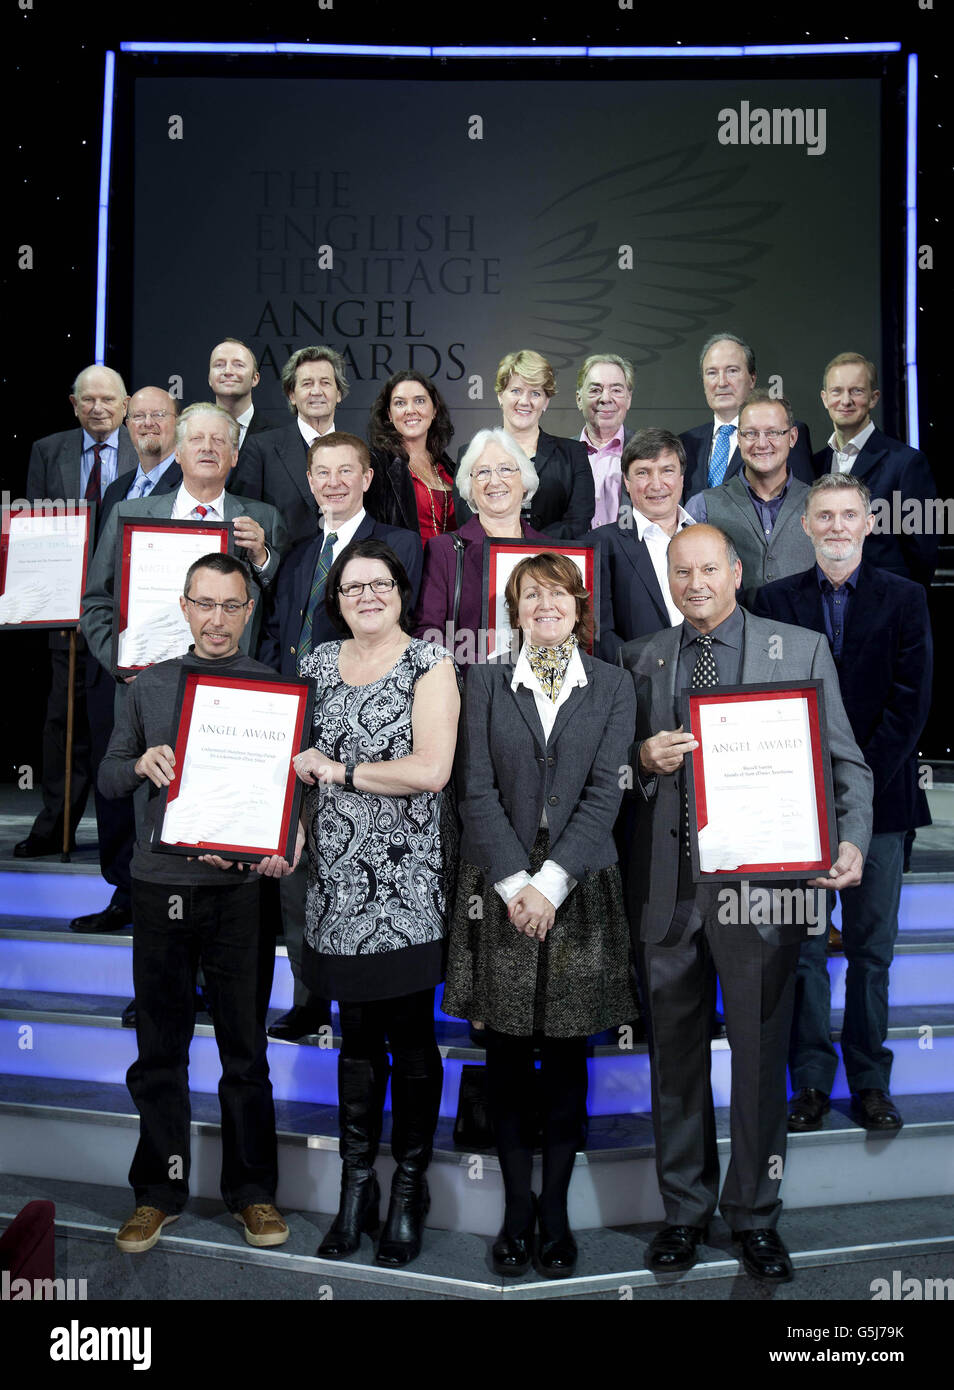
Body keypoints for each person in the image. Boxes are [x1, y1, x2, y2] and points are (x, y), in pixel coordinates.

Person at [619, 524, 872, 1282]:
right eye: (681, 570)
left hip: (764, 898)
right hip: (670, 894)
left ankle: (755, 1216)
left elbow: (847, 764)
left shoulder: (796, 649)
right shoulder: (643, 658)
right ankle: (684, 1213)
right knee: (674, 1066)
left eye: (709, 568)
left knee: (763, 1064)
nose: (695, 582)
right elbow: (613, 776)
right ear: (670, 578)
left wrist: (851, 840)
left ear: (737, 571)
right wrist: (640, 758)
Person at [266, 539, 460, 1267]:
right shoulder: (314, 665)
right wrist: (283, 833)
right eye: (353, 588)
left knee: (410, 1044)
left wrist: (341, 771)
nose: (367, 596)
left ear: (401, 592)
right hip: (336, 889)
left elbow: (432, 771)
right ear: (337, 600)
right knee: (355, 1047)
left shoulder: (431, 664)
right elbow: (294, 771)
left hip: (407, 888)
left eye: (379, 584)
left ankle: (408, 1188)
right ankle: (357, 1189)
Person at [443, 553, 637, 1279]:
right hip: (498, 890)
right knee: (504, 1061)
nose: (545, 605)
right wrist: (516, 882)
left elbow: (604, 795)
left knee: (563, 1061)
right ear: (514, 609)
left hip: (580, 892)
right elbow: (475, 791)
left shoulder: (613, 685)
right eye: (531, 595)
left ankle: (554, 1212)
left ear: (578, 606)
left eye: (558, 594)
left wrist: (550, 886)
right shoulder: (485, 679)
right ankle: (514, 1211)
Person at [101, 553, 288, 1254]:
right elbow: (112, 774)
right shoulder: (147, 686)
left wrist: (277, 840)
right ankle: (158, 1193)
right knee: (160, 1050)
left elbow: (285, 795)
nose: (216, 619)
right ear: (184, 607)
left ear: (247, 611)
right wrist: (141, 763)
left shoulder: (273, 689)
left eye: (231, 606)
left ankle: (253, 1194)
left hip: (239, 894)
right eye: (204, 604)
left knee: (246, 1051)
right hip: (159, 888)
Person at [753, 474, 933, 1133]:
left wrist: (851, 784)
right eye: (823, 515)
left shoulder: (905, 599)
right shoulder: (770, 600)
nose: (834, 526)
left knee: (870, 950)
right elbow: (765, 698)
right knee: (801, 948)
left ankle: (869, 1082)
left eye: (847, 515)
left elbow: (910, 705)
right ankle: (807, 1081)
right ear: (806, 524)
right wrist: (811, 786)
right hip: (793, 805)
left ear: (867, 523)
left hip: (883, 806)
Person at [257, 432, 424, 1043]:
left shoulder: (401, 544)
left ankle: (366, 988)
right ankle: (309, 996)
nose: (332, 482)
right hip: (294, 716)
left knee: (360, 861)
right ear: (309, 480)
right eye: (321, 472)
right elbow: (279, 634)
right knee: (298, 858)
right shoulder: (299, 552)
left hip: (368, 723)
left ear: (366, 479)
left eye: (344, 471)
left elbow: (412, 626)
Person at [70, 389, 181, 936]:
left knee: (159, 783)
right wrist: (114, 654)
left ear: (176, 423)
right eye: (138, 417)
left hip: (174, 673)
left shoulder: (191, 493)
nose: (147, 424)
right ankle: (122, 892)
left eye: (159, 415)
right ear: (125, 425)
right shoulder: (118, 489)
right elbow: (99, 592)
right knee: (116, 779)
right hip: (118, 670)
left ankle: (154, 904)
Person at [15, 365, 136, 859]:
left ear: (125, 405)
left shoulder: (145, 448)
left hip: (125, 614)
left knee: (120, 724)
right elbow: (33, 531)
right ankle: (56, 826)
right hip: (64, 613)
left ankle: (127, 838)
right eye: (87, 400)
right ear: (73, 404)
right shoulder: (49, 451)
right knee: (63, 724)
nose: (97, 408)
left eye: (108, 399)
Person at [82, 402, 287, 671]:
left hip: (231, 683)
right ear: (177, 452)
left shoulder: (264, 519)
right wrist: (121, 660)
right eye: (196, 439)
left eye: (218, 440)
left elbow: (283, 610)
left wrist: (262, 556)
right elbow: (96, 603)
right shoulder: (128, 514)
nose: (207, 448)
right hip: (145, 680)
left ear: (234, 455)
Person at [414, 428, 548, 667]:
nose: (495, 481)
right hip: (471, 688)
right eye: (483, 472)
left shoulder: (550, 553)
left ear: (524, 480)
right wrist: (485, 668)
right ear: (470, 488)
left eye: (506, 469)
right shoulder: (444, 551)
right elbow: (427, 634)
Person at [812, 351, 938, 587]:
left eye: (856, 391)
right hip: (823, 608)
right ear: (825, 398)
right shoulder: (813, 465)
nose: (846, 400)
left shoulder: (907, 463)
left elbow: (923, 556)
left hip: (885, 610)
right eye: (837, 391)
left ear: (873, 398)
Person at [686, 390, 814, 603]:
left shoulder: (819, 505)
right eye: (751, 433)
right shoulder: (702, 507)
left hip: (805, 634)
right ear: (739, 439)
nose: (762, 443)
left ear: (792, 437)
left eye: (773, 432)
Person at [454, 350, 595, 538]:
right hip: (486, 559)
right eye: (515, 391)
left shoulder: (573, 453)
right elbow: (466, 516)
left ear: (546, 402)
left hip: (553, 560)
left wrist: (530, 545)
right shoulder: (471, 453)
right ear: (499, 395)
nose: (525, 401)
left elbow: (579, 521)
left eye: (535, 393)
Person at [590, 427, 695, 662]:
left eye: (667, 471)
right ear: (626, 481)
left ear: (681, 478)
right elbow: (599, 634)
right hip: (638, 684)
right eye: (643, 473)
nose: (656, 485)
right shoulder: (600, 545)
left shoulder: (710, 539)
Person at [229, 346, 349, 546]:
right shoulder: (261, 449)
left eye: (325, 383)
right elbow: (243, 520)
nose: (316, 391)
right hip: (281, 572)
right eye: (307, 383)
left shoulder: (358, 451)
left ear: (339, 393)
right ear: (292, 395)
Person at [680, 333, 813, 500]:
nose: (722, 382)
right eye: (712, 373)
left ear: (752, 379)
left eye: (732, 371)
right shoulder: (685, 442)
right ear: (703, 381)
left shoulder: (783, 436)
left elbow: (802, 502)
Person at [365, 370, 457, 541]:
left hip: (452, 566)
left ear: (434, 410)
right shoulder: (376, 465)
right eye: (400, 403)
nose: (410, 410)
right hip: (405, 566)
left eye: (420, 401)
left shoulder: (450, 468)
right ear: (389, 415)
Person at [575, 353, 635, 526]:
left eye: (616, 390)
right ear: (579, 399)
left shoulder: (649, 453)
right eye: (595, 390)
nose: (606, 398)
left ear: (628, 399)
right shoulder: (562, 456)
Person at [208, 338, 268, 454]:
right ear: (210, 378)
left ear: (255, 379)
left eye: (238, 365)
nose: (228, 371)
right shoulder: (191, 433)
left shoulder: (278, 435)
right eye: (219, 365)